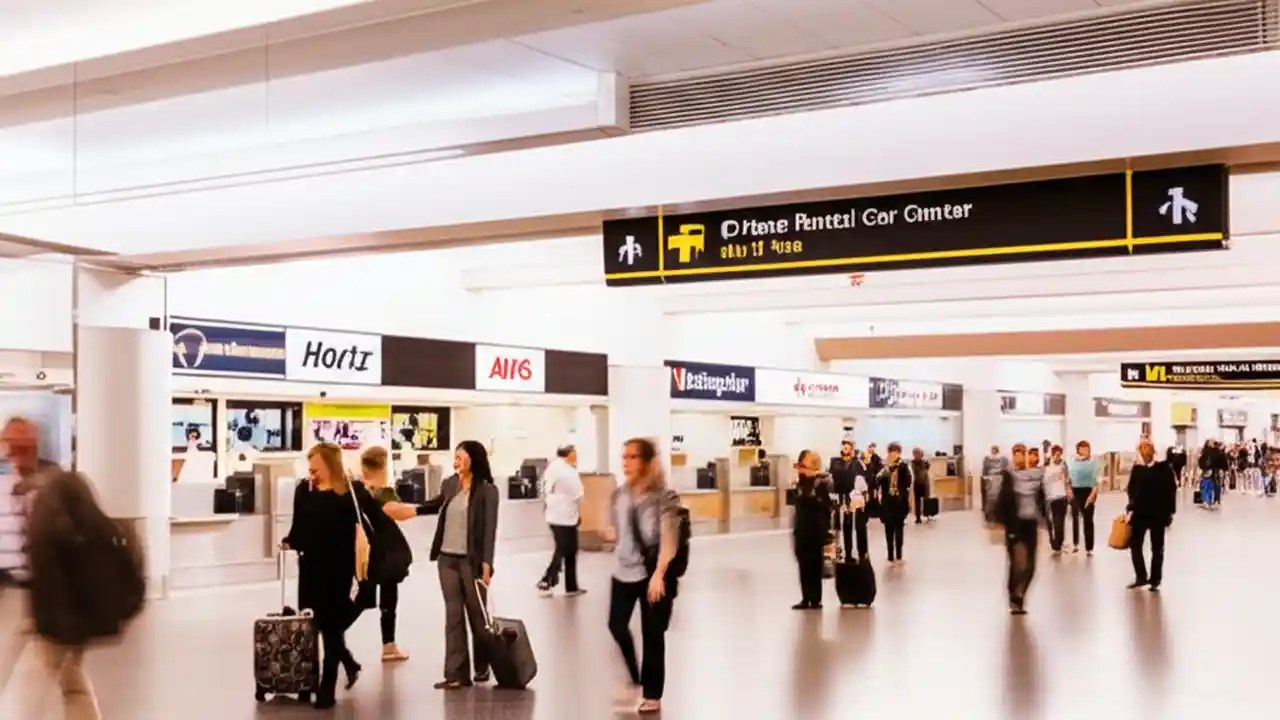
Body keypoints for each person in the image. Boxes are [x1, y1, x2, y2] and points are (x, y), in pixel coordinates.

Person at [0, 418, 101, 719]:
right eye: (10, 443)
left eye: (21, 443)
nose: (14, 450)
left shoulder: (56, 484)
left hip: (56, 598)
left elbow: (75, 542)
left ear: (33, 444)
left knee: (53, 675)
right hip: (19, 591)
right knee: (66, 677)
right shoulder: (10, 481)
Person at [282, 442, 383, 708]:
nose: (311, 471)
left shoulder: (350, 492)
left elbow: (368, 523)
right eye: (309, 465)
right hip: (311, 567)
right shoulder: (303, 490)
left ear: (329, 464)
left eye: (315, 465)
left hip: (339, 568)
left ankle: (327, 684)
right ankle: (344, 665)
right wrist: (290, 541)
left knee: (331, 625)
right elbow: (299, 525)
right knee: (317, 624)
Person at [413, 441, 500, 690]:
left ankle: (483, 665)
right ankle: (456, 674)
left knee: (477, 616)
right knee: (453, 616)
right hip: (447, 559)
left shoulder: (487, 490)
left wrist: (487, 563)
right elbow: (435, 504)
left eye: (460, 456)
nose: (456, 459)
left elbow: (489, 529)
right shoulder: (450, 484)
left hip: (472, 561)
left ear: (473, 459)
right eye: (455, 456)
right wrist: (410, 510)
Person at [605, 438, 681, 715]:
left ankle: (652, 694)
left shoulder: (664, 497)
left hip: (651, 574)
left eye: (633, 457)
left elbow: (669, 539)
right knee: (615, 625)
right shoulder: (619, 494)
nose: (626, 462)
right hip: (622, 573)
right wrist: (611, 533)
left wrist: (660, 574)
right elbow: (617, 527)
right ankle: (635, 674)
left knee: (653, 634)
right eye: (624, 456)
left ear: (647, 462)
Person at [357, 446, 415, 663]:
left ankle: (333, 639)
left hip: (366, 552)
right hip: (387, 554)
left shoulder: (358, 491)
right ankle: (388, 646)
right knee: (388, 599)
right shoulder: (384, 493)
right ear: (383, 465)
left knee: (359, 598)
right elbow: (400, 513)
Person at [992, 444, 1046, 615]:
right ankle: (1014, 598)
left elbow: (1042, 498)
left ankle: (1020, 593)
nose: (1021, 458)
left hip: (1030, 524)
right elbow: (1001, 499)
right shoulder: (1009, 476)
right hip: (1014, 524)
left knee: (1031, 566)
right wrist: (999, 521)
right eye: (1017, 454)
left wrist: (1044, 520)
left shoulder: (1035, 476)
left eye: (1023, 454)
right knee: (1017, 564)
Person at [1126, 438, 1177, 591]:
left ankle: (1144, 577)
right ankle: (1153, 579)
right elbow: (1171, 491)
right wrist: (1170, 512)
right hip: (1151, 515)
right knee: (1152, 548)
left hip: (1148, 514)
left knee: (1144, 546)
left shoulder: (1141, 470)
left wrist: (1130, 508)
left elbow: (1132, 492)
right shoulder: (1163, 469)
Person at [538, 444, 586, 597]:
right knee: (565, 549)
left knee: (568, 549)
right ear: (569, 454)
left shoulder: (552, 468)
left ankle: (571, 586)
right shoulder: (568, 471)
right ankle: (547, 579)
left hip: (553, 514)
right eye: (574, 452)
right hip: (565, 516)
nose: (576, 455)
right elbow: (578, 493)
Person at [791, 450, 829, 610]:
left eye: (803, 467)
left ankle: (815, 599)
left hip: (815, 530)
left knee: (814, 565)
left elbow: (825, 507)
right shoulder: (801, 484)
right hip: (802, 530)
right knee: (803, 565)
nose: (800, 470)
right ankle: (806, 597)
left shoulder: (821, 483)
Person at [828, 440, 869, 560]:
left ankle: (862, 552)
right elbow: (837, 475)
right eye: (844, 447)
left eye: (848, 447)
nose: (846, 449)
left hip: (855, 497)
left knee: (859, 526)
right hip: (841, 497)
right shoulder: (835, 461)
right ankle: (846, 552)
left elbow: (864, 477)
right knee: (842, 525)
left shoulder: (857, 463)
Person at [875, 442, 913, 566]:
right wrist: (887, 471)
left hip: (899, 502)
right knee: (888, 530)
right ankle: (890, 556)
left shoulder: (903, 466)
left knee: (899, 530)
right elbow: (878, 480)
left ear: (899, 453)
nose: (893, 453)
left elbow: (908, 482)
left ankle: (899, 555)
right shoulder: (884, 466)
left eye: (896, 451)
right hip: (887, 503)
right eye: (891, 451)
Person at [1067, 440, 1099, 555]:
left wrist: (1093, 494)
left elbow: (1096, 480)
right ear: (1078, 449)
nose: (1085, 450)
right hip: (1075, 491)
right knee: (1075, 518)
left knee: (1088, 520)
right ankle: (1075, 543)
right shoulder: (1072, 461)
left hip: (1088, 490)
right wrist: (1069, 490)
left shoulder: (1093, 462)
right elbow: (1069, 479)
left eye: (1087, 448)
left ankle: (1089, 548)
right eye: (1082, 448)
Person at [1044, 445, 1071, 555]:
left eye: (1059, 452)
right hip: (1049, 497)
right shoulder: (1046, 464)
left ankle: (1059, 543)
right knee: (1051, 522)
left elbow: (1067, 479)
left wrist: (1068, 492)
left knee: (1059, 522)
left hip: (1061, 496)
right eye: (1055, 452)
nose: (1057, 454)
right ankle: (1053, 543)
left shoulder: (1063, 464)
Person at [981, 445, 1008, 521]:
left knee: (998, 496)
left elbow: (1004, 468)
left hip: (999, 478)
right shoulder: (987, 458)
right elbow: (985, 470)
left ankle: (998, 514)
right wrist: (985, 477)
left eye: (995, 449)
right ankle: (989, 514)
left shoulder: (1003, 458)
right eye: (993, 449)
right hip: (990, 478)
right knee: (990, 496)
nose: (994, 451)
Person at [910, 447, 931, 524]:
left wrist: (925, 463)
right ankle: (918, 518)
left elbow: (927, 468)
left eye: (918, 453)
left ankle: (927, 515)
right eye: (915, 454)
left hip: (925, 483)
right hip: (917, 483)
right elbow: (916, 470)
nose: (917, 455)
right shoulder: (913, 463)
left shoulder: (924, 462)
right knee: (917, 501)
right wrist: (923, 463)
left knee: (926, 500)